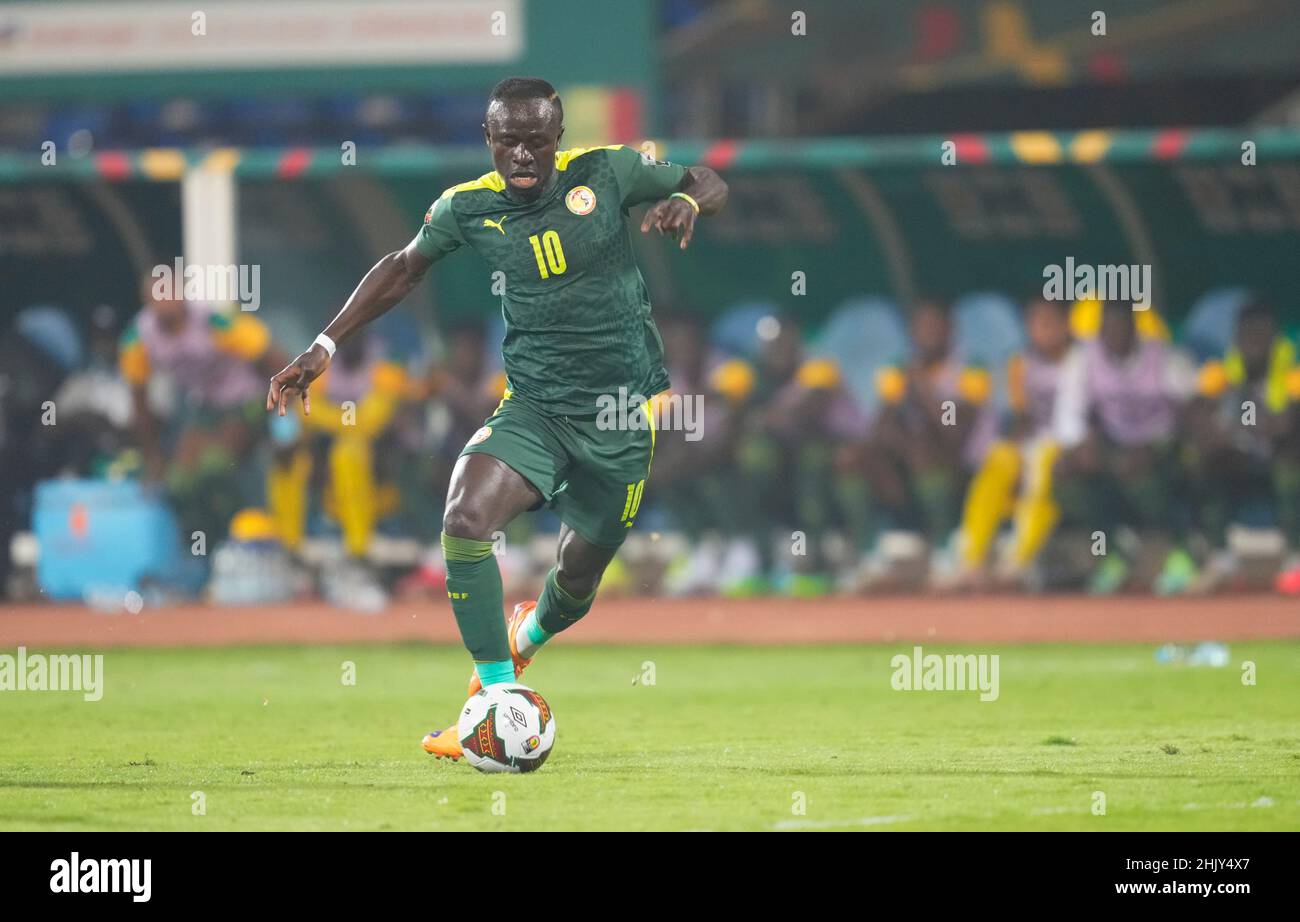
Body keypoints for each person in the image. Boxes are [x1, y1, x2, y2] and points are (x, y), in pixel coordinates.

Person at [266, 77, 727, 761]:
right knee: (465, 517)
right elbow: (401, 267)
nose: (521, 154)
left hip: (620, 417)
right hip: (535, 408)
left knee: (575, 584)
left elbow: (707, 178)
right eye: (507, 140)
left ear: (557, 137)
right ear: (487, 138)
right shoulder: (466, 208)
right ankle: (493, 699)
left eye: (535, 140)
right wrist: (323, 346)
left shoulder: (608, 172)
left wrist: (687, 199)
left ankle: (529, 633)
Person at [120, 271, 284, 545]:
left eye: (169, 294)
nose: (165, 303)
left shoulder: (212, 320)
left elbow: (272, 356)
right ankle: (203, 544)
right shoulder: (138, 337)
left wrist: (285, 419)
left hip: (246, 400)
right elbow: (140, 402)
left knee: (215, 466)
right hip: (204, 406)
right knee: (179, 481)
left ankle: (239, 537)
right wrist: (151, 456)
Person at [1052, 300, 1197, 594]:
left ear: (1134, 328)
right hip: (1111, 446)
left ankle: (1182, 554)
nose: (1115, 335)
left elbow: (1193, 409)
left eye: (1122, 327)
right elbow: (1067, 416)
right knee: (1065, 471)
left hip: (1159, 448)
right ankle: (1110, 554)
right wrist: (1083, 446)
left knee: (1144, 474)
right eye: (1108, 328)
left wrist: (1160, 444)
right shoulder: (1085, 358)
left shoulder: (1165, 356)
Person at [954, 297, 1071, 587]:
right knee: (999, 456)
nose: (1043, 330)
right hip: (1033, 442)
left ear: (1066, 325)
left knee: (1043, 462)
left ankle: (1018, 561)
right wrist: (1018, 450)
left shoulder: (1080, 359)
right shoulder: (1020, 362)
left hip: (1069, 444)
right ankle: (972, 559)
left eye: (1050, 322)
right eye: (1036, 323)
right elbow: (1019, 415)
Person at [1184, 299, 1300, 592]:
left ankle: (1296, 559)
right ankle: (1220, 559)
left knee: (1292, 467)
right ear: (1236, 336)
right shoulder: (1220, 372)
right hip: (1236, 462)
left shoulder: (1290, 373)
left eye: (1261, 335)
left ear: (1274, 337)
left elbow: (1284, 425)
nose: (1254, 343)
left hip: (1279, 460)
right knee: (1199, 461)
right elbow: (1197, 418)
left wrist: (1256, 425)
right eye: (1247, 335)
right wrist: (1217, 434)